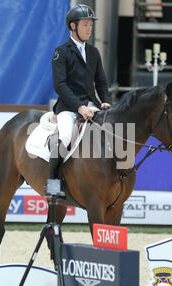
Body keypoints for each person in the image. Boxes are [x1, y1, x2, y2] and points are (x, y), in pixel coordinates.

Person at [46, 4, 112, 197]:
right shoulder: (61, 52)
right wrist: (79, 107)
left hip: (92, 104)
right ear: (73, 26)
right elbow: (60, 85)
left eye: (91, 24)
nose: (89, 28)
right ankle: (52, 183)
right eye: (85, 24)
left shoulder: (93, 52)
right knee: (65, 137)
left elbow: (101, 82)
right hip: (69, 107)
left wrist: (105, 101)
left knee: (112, 132)